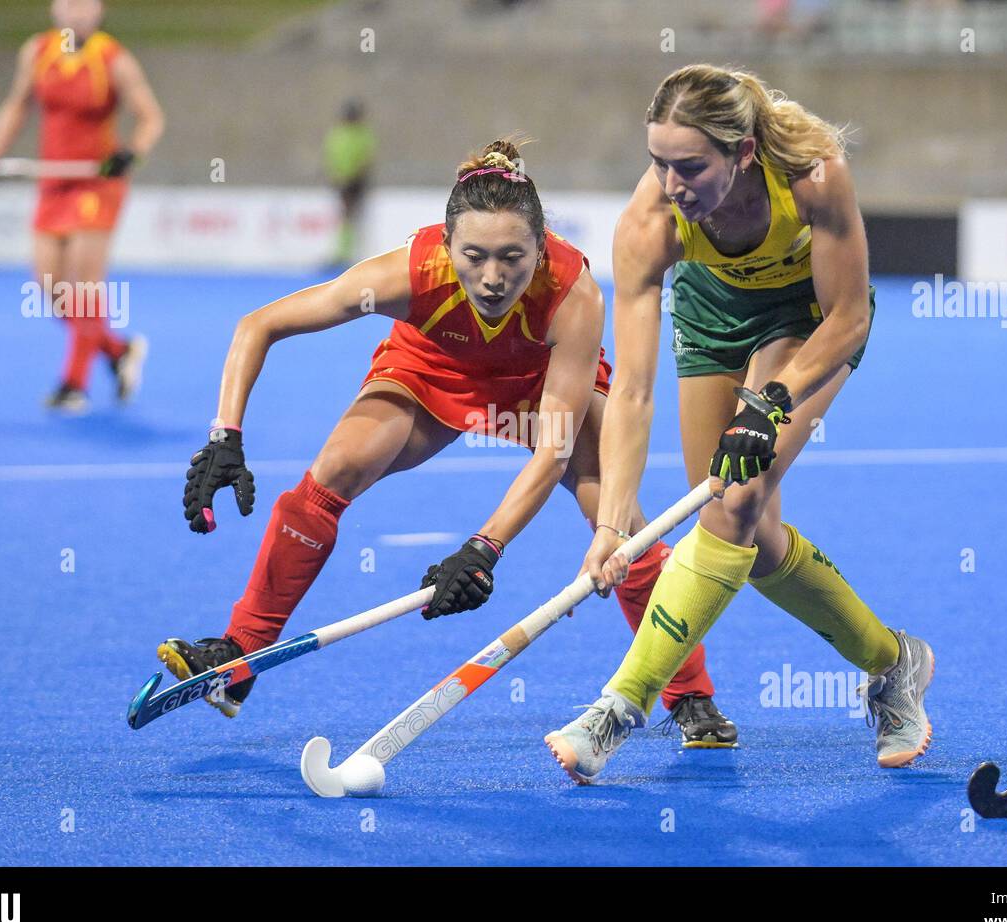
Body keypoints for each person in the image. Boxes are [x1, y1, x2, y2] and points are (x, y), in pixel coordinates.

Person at [161, 140, 737, 747]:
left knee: (616, 521)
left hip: (535, 390)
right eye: (474, 256)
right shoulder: (408, 273)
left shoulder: (574, 295)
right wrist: (224, 437)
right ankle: (240, 657)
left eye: (513, 257)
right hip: (431, 373)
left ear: (541, 249)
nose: (492, 278)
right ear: (446, 247)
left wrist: (484, 548)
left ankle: (689, 694)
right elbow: (260, 324)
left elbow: (554, 447)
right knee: (331, 473)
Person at [545, 65, 935, 783]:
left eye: (690, 166)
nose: (671, 184)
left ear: (743, 154)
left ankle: (618, 707)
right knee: (744, 539)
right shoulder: (649, 225)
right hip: (709, 321)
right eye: (658, 162)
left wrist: (775, 395)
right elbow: (630, 391)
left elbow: (847, 317)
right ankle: (894, 662)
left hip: (806, 322)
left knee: (733, 504)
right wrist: (613, 527)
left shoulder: (813, 176)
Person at [0, 0, 164, 412]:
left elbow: (150, 117)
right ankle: (116, 349)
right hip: (53, 183)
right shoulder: (37, 52)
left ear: (100, 10)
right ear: (54, 9)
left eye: (86, 4)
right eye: (68, 3)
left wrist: (133, 152)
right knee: (49, 286)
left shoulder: (114, 60)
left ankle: (73, 384)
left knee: (83, 284)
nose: (76, 12)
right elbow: (17, 105)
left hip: (97, 182)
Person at [323, 100, 376, 266]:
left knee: (350, 218)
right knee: (347, 218)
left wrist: (347, 177)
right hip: (345, 180)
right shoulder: (352, 134)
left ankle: (348, 253)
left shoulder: (352, 134)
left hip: (353, 181)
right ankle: (346, 253)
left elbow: (365, 159)